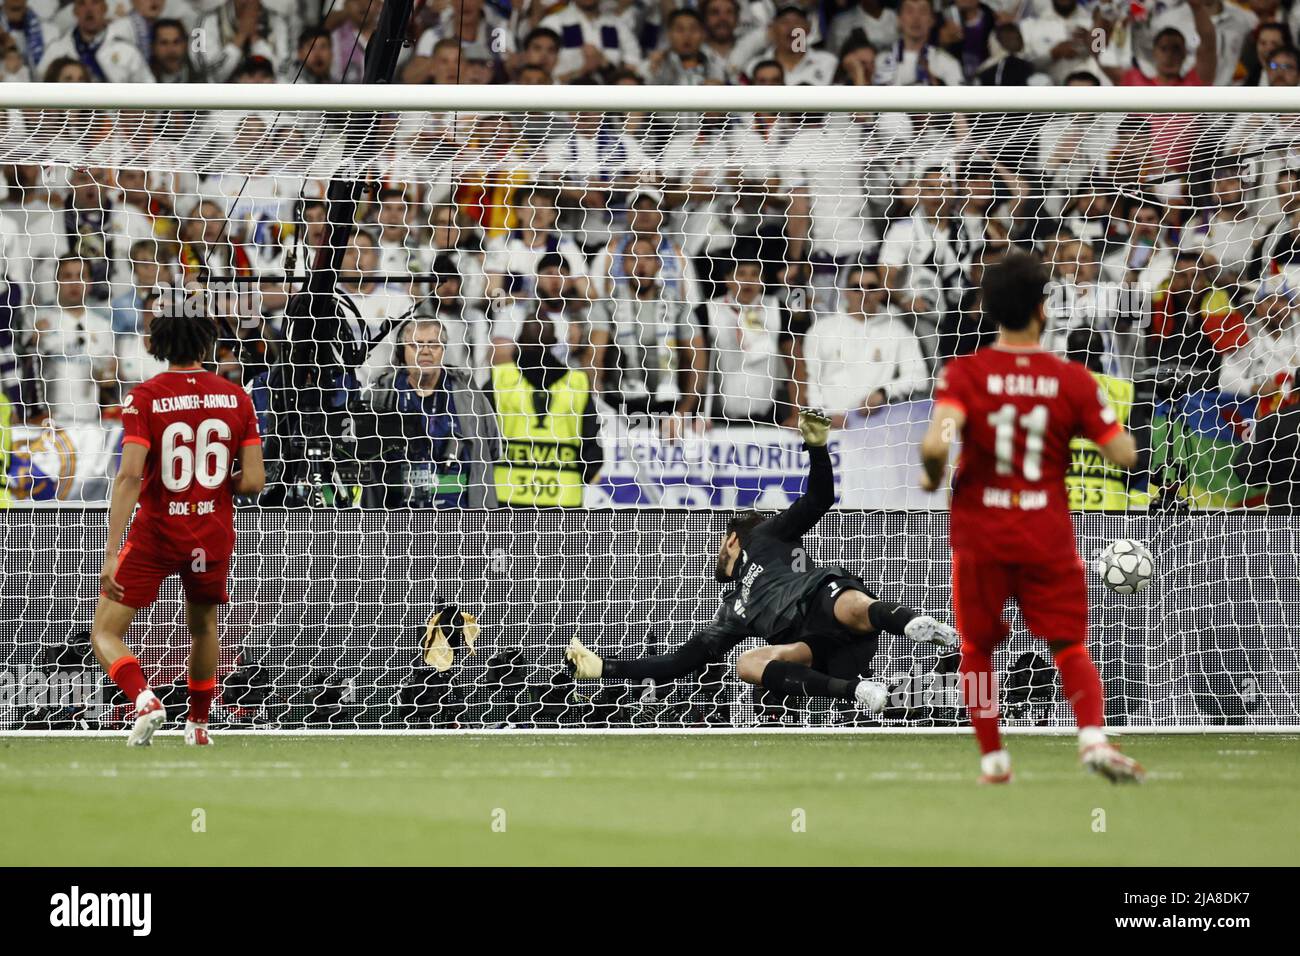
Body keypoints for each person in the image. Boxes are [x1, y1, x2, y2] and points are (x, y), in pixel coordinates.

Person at [919, 251, 1143, 784]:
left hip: (981, 535)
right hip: (1045, 532)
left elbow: (938, 440)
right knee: (1067, 642)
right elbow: (1124, 455)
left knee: (976, 648)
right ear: (1044, 308)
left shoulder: (965, 374)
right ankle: (1092, 739)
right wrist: (1089, 425)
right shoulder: (1072, 380)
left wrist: (933, 472)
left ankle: (994, 760)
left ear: (987, 310)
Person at [566, 409, 957, 712]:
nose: (717, 552)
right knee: (747, 665)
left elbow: (818, 500)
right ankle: (860, 691)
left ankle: (915, 624)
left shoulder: (765, 535)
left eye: (720, 542)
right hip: (822, 653)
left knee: (848, 604)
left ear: (734, 539)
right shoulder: (730, 615)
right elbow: (680, 661)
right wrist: (606, 668)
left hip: (824, 600)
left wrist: (818, 448)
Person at [91, 310, 265, 747]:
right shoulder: (237, 398)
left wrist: (111, 549)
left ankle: (144, 700)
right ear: (207, 346)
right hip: (210, 531)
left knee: (105, 632)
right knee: (204, 627)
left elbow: (130, 475)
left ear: (156, 346)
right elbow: (254, 481)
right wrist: (215, 478)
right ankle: (199, 726)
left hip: (157, 532)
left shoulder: (144, 397)